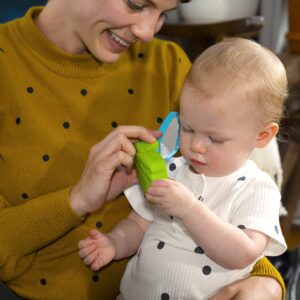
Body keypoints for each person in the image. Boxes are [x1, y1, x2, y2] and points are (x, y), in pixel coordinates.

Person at [0, 0, 285, 298]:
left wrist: (266, 283)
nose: (148, 32)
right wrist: (78, 199)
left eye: (163, 14)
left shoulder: (169, 65)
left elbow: (231, 202)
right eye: (136, 4)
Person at [78, 38, 288, 299]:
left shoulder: (257, 189)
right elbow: (138, 224)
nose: (197, 146)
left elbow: (243, 253)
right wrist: (114, 243)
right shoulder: (173, 169)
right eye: (188, 128)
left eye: (215, 138)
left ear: (262, 136)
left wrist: (190, 210)